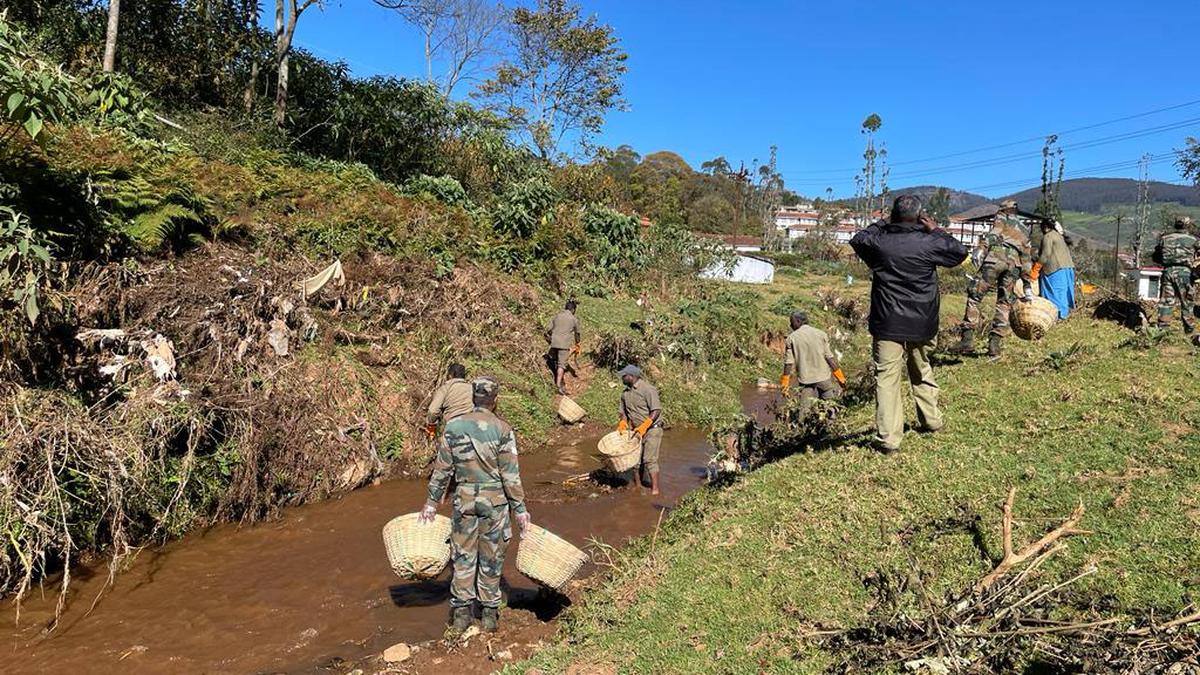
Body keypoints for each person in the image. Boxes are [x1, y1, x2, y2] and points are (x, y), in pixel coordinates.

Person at [850, 195, 967, 453]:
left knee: (887, 378)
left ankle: (889, 439)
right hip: (922, 320)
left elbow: (858, 239)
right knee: (922, 368)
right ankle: (932, 421)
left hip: (888, 321)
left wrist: (882, 222)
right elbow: (960, 252)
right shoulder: (929, 242)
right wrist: (936, 229)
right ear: (919, 215)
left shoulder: (880, 242)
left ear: (893, 214)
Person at [419, 377, 530, 633]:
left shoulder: (454, 426)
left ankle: (461, 615)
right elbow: (510, 475)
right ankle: (489, 614)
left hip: (465, 500)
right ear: (495, 400)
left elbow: (442, 469)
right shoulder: (503, 429)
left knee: (463, 556)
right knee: (492, 556)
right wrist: (520, 510)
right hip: (495, 502)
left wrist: (432, 502)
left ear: (472, 398)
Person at [952, 199, 1033, 358]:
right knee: (1004, 303)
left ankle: (967, 339)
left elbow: (995, 233)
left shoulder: (1002, 217)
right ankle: (994, 345)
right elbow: (1026, 257)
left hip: (995, 259)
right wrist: (1027, 283)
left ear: (1004, 210)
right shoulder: (1024, 228)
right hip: (1014, 265)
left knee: (975, 295)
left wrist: (981, 248)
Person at [780, 310, 846, 403]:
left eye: (792, 322)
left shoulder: (791, 338)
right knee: (830, 406)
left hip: (805, 381)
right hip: (824, 378)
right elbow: (830, 358)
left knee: (804, 410)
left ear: (798, 321)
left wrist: (785, 384)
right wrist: (841, 378)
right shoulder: (821, 334)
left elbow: (788, 363)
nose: (790, 326)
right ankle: (831, 417)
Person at [615, 364, 662, 495]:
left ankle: (655, 490)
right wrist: (623, 422)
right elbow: (623, 412)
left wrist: (645, 425)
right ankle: (638, 486)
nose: (622, 378)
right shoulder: (625, 394)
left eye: (624, 376)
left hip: (652, 430)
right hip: (636, 431)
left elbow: (656, 410)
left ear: (631, 376)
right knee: (635, 461)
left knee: (649, 460)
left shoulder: (648, 389)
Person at [1152, 216, 1199, 333]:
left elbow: (1156, 256)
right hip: (1185, 273)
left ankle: (1162, 329)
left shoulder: (1165, 238)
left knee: (1166, 301)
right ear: (1187, 225)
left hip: (1167, 272)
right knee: (1187, 302)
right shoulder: (1193, 240)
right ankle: (1189, 330)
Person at [1034, 220, 1076, 320]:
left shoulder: (1048, 236)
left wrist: (1035, 269)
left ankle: (1056, 317)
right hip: (1067, 268)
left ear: (1045, 227)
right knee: (1063, 294)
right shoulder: (1059, 236)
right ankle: (1063, 316)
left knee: (1055, 294)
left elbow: (1045, 254)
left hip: (1055, 269)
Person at [425, 363, 473, 439]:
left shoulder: (446, 388)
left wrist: (431, 426)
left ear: (450, 375)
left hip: (451, 428)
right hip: (471, 429)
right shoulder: (472, 389)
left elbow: (432, 411)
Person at [545, 300, 581, 395]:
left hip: (554, 342)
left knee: (553, 360)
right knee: (561, 365)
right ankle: (558, 386)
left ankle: (551, 371)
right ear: (573, 310)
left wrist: (552, 338)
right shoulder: (574, 319)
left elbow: (548, 329)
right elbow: (577, 333)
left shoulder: (557, 316)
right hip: (564, 345)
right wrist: (578, 343)